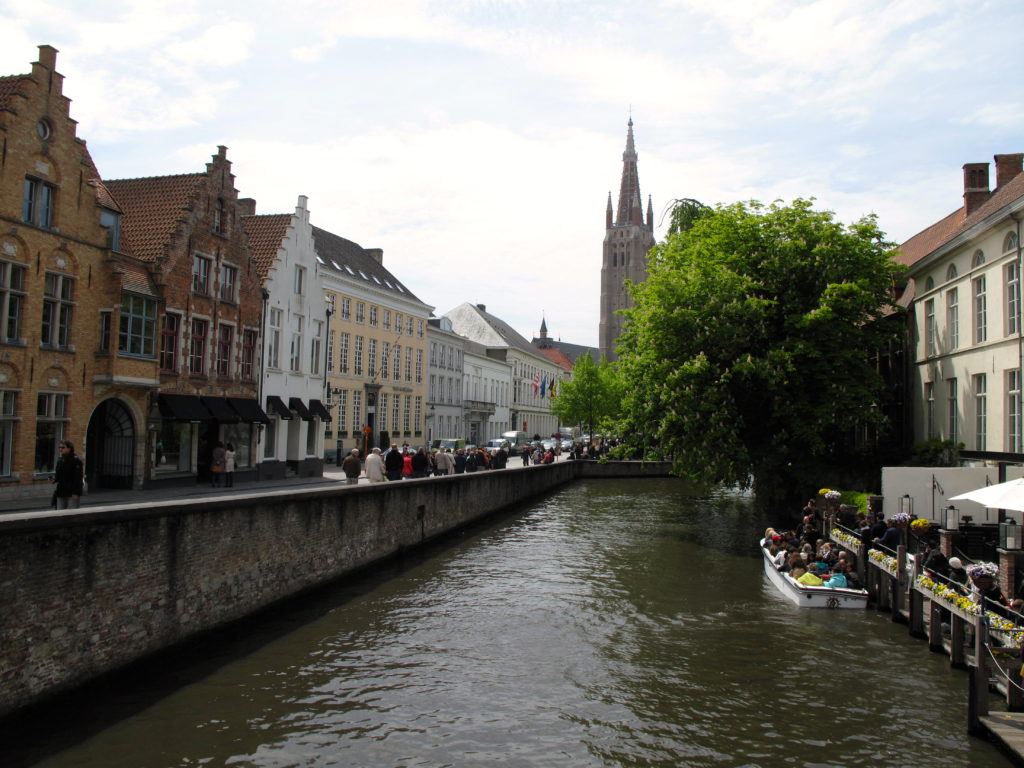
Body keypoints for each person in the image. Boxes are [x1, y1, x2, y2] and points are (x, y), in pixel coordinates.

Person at [52, 439, 84, 509]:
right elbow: (58, 475)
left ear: (69, 448)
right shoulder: (60, 460)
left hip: (72, 491)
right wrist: (54, 479)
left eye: (63, 447)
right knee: (59, 512)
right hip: (61, 490)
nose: (60, 449)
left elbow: (78, 478)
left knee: (71, 512)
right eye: (59, 447)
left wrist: (76, 492)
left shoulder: (76, 460)